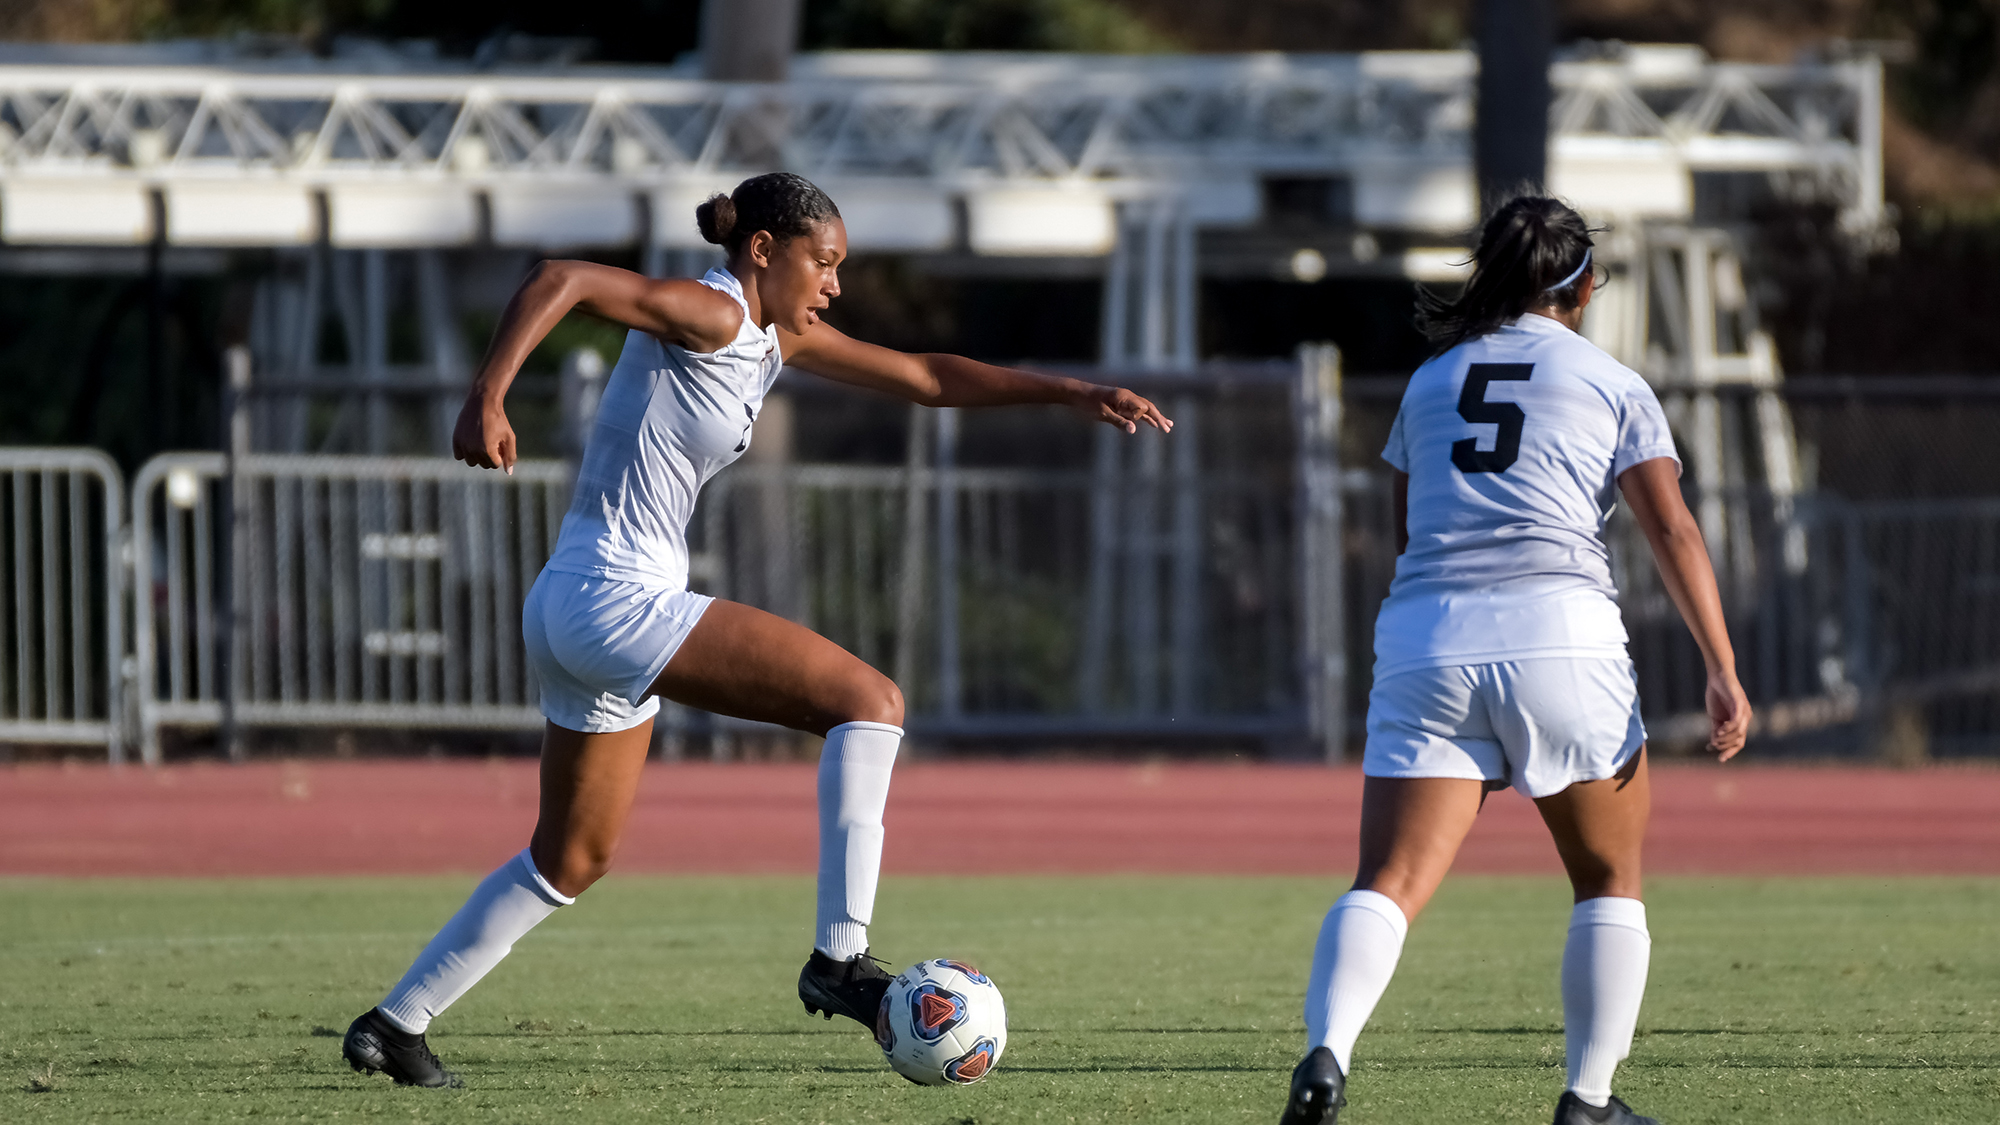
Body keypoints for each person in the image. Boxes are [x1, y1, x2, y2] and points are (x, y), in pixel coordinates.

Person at [341, 172, 1172, 1087]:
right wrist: (487, 396)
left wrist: (1071, 390)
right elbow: (558, 277)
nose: (836, 284)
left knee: (573, 855)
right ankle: (841, 959)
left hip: (577, 605)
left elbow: (929, 377)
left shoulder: (776, 339)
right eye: (825, 262)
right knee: (871, 702)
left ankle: (395, 1024)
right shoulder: (713, 311)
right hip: (616, 597)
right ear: (764, 251)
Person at [1276, 194, 1750, 1125]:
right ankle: (1589, 1101)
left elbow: (1412, 529)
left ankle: (1328, 1053)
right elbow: (1672, 526)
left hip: (1427, 639)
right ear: (1580, 286)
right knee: (1608, 879)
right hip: (1561, 634)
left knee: (1389, 881)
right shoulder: (1612, 381)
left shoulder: (1429, 381)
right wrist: (1723, 666)